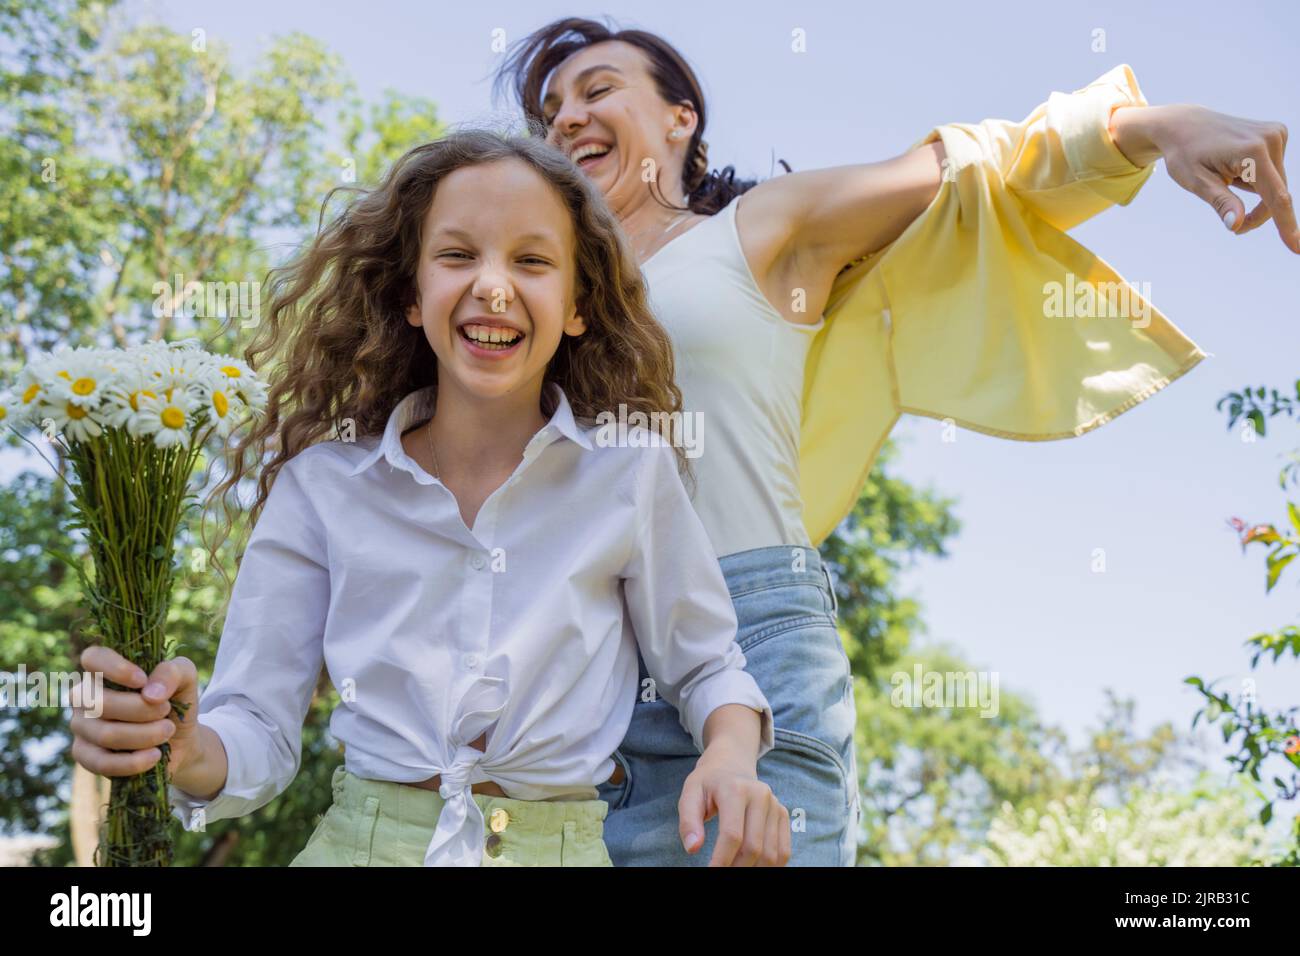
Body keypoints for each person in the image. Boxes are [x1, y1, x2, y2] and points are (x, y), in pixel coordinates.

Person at [494, 16, 1295, 866]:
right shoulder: (538, 303)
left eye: (598, 90)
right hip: (585, 681)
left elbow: (968, 166)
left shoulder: (759, 232)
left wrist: (1154, 125)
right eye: (550, 110)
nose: (567, 118)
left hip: (748, 635)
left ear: (680, 118)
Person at [69, 129, 789, 867]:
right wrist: (183, 747)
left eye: (533, 261)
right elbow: (256, 724)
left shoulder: (630, 473)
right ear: (412, 295)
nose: (494, 285)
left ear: (578, 304)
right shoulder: (323, 487)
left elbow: (705, 666)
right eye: (457, 255)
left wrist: (730, 758)